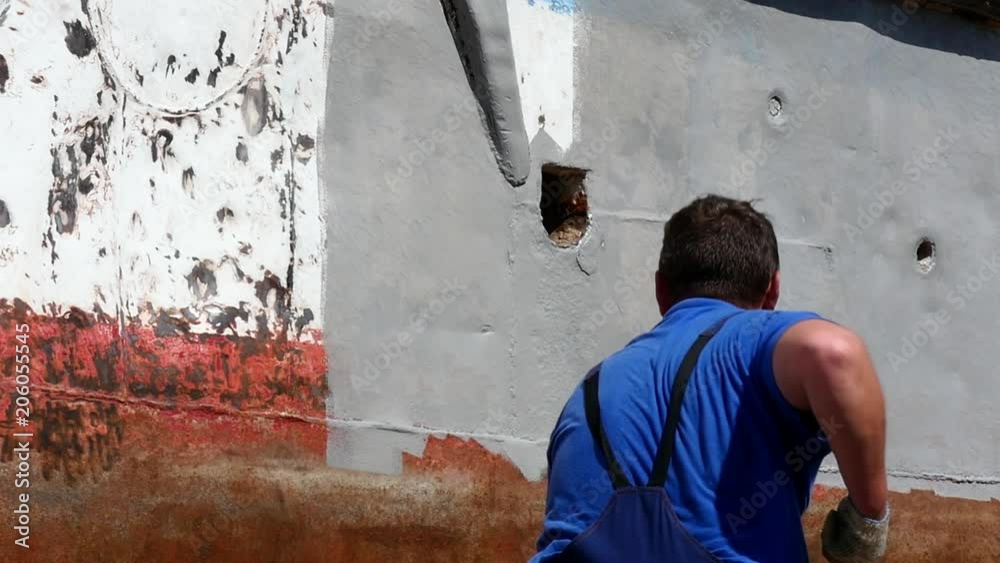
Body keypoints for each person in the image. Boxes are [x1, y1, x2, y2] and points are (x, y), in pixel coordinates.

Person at [531, 195, 889, 562]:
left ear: (661, 290)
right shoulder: (752, 340)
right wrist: (867, 520)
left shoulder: (588, 390)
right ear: (772, 290)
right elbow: (833, 353)